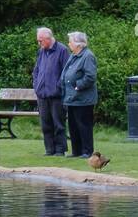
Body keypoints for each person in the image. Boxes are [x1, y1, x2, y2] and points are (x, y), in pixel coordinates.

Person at [60, 31, 98, 159]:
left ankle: (87, 151)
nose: (68, 44)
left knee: (84, 126)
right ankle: (76, 151)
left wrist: (78, 85)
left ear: (78, 44)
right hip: (71, 98)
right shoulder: (74, 55)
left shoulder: (88, 56)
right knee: (73, 126)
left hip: (83, 99)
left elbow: (90, 76)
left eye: (70, 41)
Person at [32, 27, 69, 157]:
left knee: (58, 124)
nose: (39, 43)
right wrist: (36, 86)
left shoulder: (62, 50)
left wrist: (57, 87)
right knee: (45, 123)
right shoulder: (41, 51)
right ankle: (49, 150)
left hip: (57, 96)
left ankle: (60, 150)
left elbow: (66, 72)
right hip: (42, 94)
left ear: (48, 38)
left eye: (40, 41)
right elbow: (36, 71)